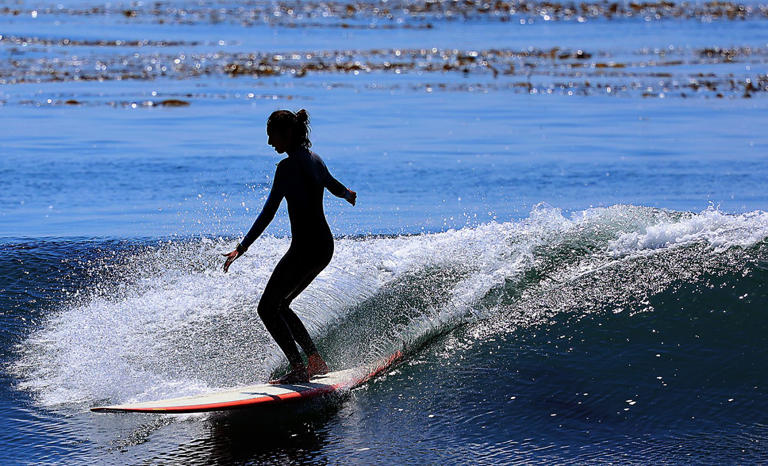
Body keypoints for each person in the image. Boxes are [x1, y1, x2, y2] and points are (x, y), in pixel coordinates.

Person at [223, 109, 357, 384]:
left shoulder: (287, 168)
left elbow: (269, 211)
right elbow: (332, 185)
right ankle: (315, 361)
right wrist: (347, 194)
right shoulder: (314, 159)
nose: (270, 142)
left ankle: (299, 368)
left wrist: (242, 247)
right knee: (281, 305)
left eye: (272, 136)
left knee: (266, 308)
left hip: (305, 249)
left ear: (287, 133)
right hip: (323, 247)